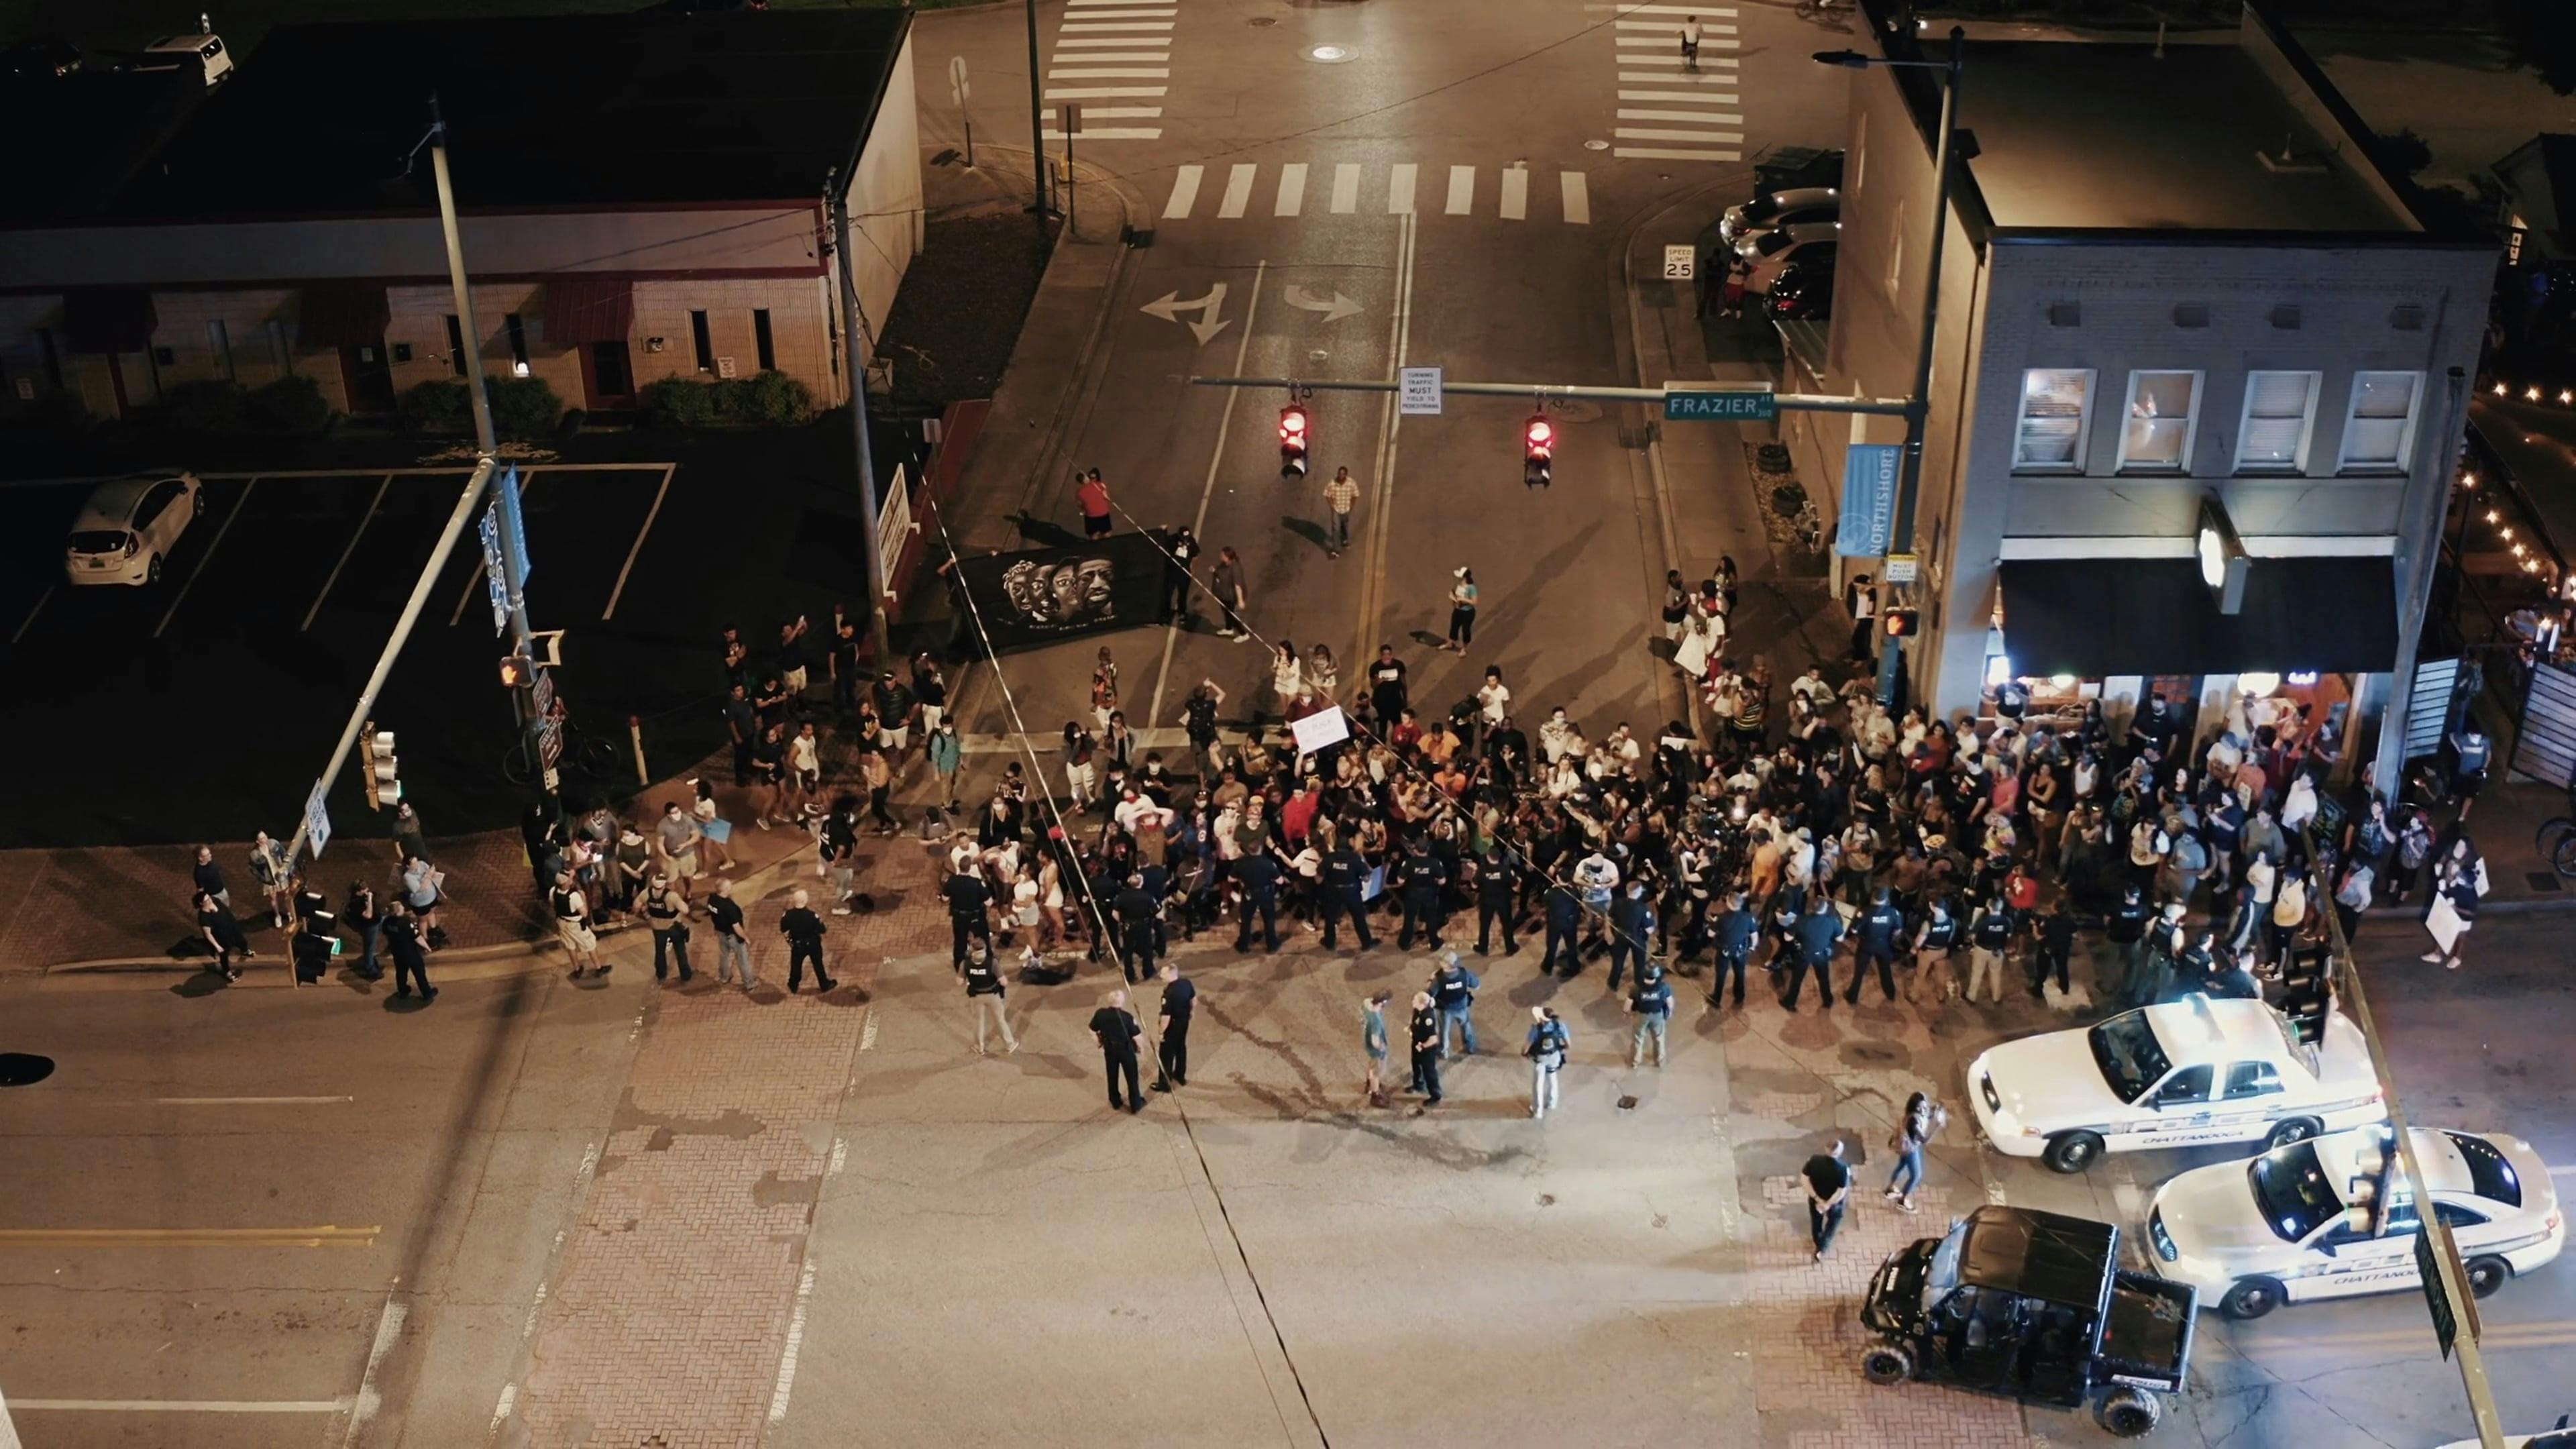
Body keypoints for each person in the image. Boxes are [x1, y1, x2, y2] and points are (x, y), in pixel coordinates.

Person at [2423, 835, 2489, 971]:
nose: (2457, 849)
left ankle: (2457, 956)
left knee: (2460, 934)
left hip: (2461, 909)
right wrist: (2444, 886)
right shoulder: (2453, 860)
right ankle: (2437, 953)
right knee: (2442, 929)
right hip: (2452, 902)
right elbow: (2447, 869)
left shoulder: (2470, 887)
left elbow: (2471, 911)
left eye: (2461, 847)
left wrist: (2456, 908)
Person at [1884, 1093, 1947, 1214]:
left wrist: (1935, 1109)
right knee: (1916, 1176)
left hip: (1904, 1146)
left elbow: (1927, 1114)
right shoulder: (1914, 1122)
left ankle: (1890, 1188)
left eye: (1925, 1106)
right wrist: (1937, 1127)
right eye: (1921, 1107)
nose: (1924, 1109)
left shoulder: (1913, 1114)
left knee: (1901, 1166)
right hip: (1910, 1150)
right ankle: (1902, 1201)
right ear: (1915, 1107)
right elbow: (1925, 1140)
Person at [1783, 893, 1843, 1011]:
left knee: (1797, 979)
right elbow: (1840, 939)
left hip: (1803, 954)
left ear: (1811, 909)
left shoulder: (1800, 920)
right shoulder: (1832, 921)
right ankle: (1827, 1001)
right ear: (1825, 909)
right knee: (1823, 978)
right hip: (1821, 955)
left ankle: (1790, 1002)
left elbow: (1787, 938)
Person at [1847, 888, 1904, 1005]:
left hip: (1866, 944)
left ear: (1873, 898)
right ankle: (1890, 993)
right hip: (1883, 944)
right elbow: (1898, 930)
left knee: (1859, 973)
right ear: (1886, 900)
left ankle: (1852, 997)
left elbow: (1853, 930)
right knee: (1885, 970)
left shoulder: (1865, 912)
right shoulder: (1893, 912)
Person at [1090, 990, 1145, 1112]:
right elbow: (1137, 1037)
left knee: (1112, 1074)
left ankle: (1115, 1100)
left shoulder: (1101, 1014)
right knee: (1132, 1077)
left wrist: (1098, 1043)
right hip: (1126, 1049)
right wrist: (1141, 1048)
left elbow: (1092, 1030)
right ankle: (1135, 1103)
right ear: (1121, 1002)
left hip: (1110, 1049)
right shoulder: (1127, 1017)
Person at [777, 888, 838, 994]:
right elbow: (822, 929)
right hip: (813, 944)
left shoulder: (787, 915)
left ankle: (793, 985)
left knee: (796, 965)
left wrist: (790, 941)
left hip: (797, 945)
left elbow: (783, 929)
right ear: (805, 901)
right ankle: (824, 984)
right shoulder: (812, 916)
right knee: (818, 964)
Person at [1322, 838, 1376, 951]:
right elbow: (1366, 879)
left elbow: (1318, 879)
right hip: (1352, 892)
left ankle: (1329, 942)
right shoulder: (1355, 858)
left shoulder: (1328, 858)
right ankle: (1366, 943)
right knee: (1359, 918)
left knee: (1330, 918)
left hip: (1333, 892)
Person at [964, 939, 1017, 1054]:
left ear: (972, 949)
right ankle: (1009, 1044)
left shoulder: (966, 964)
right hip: (993, 996)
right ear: (984, 948)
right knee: (1000, 1019)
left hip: (976, 996)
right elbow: (1004, 982)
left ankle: (979, 1047)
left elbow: (959, 981)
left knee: (978, 1021)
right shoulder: (992, 962)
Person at [1803, 1138, 1851, 1263]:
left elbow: (1805, 1181)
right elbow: (1841, 1191)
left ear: (1826, 1149)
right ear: (1839, 1153)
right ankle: (1821, 1248)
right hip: (1834, 1204)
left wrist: (1817, 1199)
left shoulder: (1814, 1161)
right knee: (1833, 1223)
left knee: (1816, 1222)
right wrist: (1828, 1203)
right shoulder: (1843, 1169)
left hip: (1816, 1200)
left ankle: (1818, 1242)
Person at [641, 871, 693, 983]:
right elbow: (685, 910)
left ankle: (661, 975)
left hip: (657, 928)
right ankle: (686, 975)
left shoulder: (646, 893)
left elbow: (637, 905)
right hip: (673, 927)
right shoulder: (671, 896)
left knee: (660, 951)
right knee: (680, 951)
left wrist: (647, 917)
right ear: (664, 884)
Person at [1711, 890, 1759, 1008]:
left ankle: (1717, 998)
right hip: (1741, 950)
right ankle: (1739, 996)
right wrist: (1752, 947)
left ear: (1729, 903)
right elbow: (1754, 935)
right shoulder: (1748, 917)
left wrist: (1713, 924)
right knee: (1740, 973)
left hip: (1724, 951)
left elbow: (1710, 934)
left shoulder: (1721, 918)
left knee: (1721, 975)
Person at [551, 871, 604, 978]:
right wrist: (584, 898)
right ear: (566, 882)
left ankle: (577, 968)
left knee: (570, 946)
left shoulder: (553, 890)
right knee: (590, 944)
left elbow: (552, 904)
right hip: (575, 925)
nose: (572, 879)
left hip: (562, 922)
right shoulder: (574, 896)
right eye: (570, 878)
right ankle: (599, 968)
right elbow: (584, 914)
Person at [1607, 878, 1656, 992]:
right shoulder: (1643, 908)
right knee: (1639, 964)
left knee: (1618, 961)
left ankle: (1613, 983)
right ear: (1638, 892)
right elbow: (1649, 930)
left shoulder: (1617, 902)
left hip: (1620, 935)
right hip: (1637, 939)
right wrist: (1653, 926)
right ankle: (1639, 985)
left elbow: (1610, 917)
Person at [708, 877, 756, 990]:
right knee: (742, 959)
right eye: (729, 887)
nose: (731, 888)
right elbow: (736, 927)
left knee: (724, 955)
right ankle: (750, 983)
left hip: (720, 932)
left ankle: (725, 976)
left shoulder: (712, 898)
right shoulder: (729, 907)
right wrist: (745, 937)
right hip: (732, 936)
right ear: (725, 889)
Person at [1153, 961, 1195, 1088]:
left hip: (1172, 1025)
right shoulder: (1186, 983)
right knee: (1181, 1047)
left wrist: (1161, 1032)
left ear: (1171, 974)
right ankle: (1180, 1075)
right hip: (1184, 1021)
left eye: (1163, 973)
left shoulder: (1169, 994)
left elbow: (1166, 1017)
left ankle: (1164, 1083)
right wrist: (1192, 1012)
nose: (1160, 975)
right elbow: (1193, 998)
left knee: (1166, 1054)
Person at [384, 897, 434, 1002]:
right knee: (419, 973)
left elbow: (386, 933)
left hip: (397, 952)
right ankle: (427, 993)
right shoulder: (405, 923)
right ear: (398, 910)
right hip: (410, 953)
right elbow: (417, 937)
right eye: (401, 906)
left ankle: (403, 991)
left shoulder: (388, 921)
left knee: (401, 972)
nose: (403, 907)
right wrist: (427, 947)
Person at [1431, 952, 1481, 1056]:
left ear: (1445, 964)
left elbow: (1430, 994)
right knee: (1466, 1026)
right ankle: (1470, 1046)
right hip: (1462, 1007)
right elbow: (1476, 985)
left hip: (1444, 1009)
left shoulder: (1438, 979)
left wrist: (1430, 979)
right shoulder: (1465, 974)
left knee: (1443, 1030)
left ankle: (1443, 1050)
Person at [1472, 848, 1519, 955]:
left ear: (1488, 857)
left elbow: (1474, 885)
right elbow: (1515, 887)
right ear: (1499, 857)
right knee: (1507, 925)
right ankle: (1510, 948)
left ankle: (1483, 948)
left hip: (1486, 902)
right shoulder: (1506, 870)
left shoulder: (1482, 870)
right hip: (1504, 902)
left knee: (1485, 925)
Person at [194, 888, 248, 981]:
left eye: (209, 898)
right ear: (201, 904)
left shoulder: (215, 901)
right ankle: (227, 972)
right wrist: (217, 946)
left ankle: (245, 951)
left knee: (242, 942)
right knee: (224, 955)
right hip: (222, 938)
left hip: (232, 930)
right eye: (206, 900)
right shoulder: (204, 917)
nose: (210, 901)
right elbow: (208, 934)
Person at [1527, 1006, 1570, 1118]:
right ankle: (1552, 1103)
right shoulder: (1561, 1026)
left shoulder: (1536, 1029)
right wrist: (1560, 1048)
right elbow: (1568, 1045)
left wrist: (1525, 1054)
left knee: (1538, 1084)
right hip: (1554, 1057)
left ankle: (1538, 1111)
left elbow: (1526, 1047)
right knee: (1552, 1078)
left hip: (1540, 1059)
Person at [1628, 964, 1674, 1069]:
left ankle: (1636, 1061)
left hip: (1641, 1015)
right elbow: (1669, 1001)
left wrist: (1626, 1013)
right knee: (1659, 1038)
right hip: (1658, 1015)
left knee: (1638, 1038)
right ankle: (1660, 1061)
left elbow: (1628, 1003)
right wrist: (1670, 1011)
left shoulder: (1636, 988)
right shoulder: (1663, 987)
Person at [249, 830, 294, 929]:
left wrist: (287, 868)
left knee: (287, 894)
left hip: (279, 872)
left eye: (265, 837)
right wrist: (263, 879)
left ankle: (291, 913)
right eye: (261, 839)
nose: (265, 840)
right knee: (273, 897)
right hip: (269, 877)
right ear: (257, 841)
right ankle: (277, 916)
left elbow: (284, 853)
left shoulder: (273, 843)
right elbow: (254, 869)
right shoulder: (255, 854)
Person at [1407, 990, 1444, 1106]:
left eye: (1415, 1000)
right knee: (1416, 1064)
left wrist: (1423, 1047)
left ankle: (1435, 1094)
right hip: (1417, 1043)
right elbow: (1413, 1021)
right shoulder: (1417, 1011)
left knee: (1429, 1071)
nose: (1412, 1001)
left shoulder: (1428, 1018)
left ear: (1422, 1003)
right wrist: (1410, 1028)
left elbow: (1433, 1039)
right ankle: (1418, 1084)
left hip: (1426, 1048)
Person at [343, 879, 383, 981]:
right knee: (370, 948)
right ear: (358, 892)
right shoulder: (355, 904)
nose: (367, 890)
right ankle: (371, 970)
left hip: (377, 922)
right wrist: (369, 900)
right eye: (364, 890)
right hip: (369, 927)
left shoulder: (362, 897)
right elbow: (368, 915)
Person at [1209, 545, 1250, 640]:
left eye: (1222, 555)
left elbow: (1238, 586)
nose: (1220, 556)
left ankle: (1244, 634)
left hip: (1232, 598)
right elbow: (1220, 572)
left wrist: (1240, 601)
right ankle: (1229, 629)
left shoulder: (1235, 568)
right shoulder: (1224, 564)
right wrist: (1214, 571)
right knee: (1226, 613)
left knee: (1234, 617)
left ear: (1228, 557)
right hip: (1224, 595)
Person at [1362, 989, 1393, 1107]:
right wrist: (1382, 1048)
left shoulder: (1366, 1004)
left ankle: (1369, 1084)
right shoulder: (1375, 1020)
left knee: (1371, 1065)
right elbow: (1375, 1040)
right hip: (1376, 1050)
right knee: (1377, 1072)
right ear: (1382, 1003)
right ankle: (1375, 1095)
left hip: (1367, 1045)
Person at [1323, 464, 1360, 557]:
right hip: (1336, 509)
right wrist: (1331, 505)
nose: (1341, 476)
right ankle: (1336, 550)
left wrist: (1351, 505)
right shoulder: (1332, 483)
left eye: (1343, 474)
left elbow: (1355, 494)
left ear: (1346, 475)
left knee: (1344, 526)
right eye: (1339, 474)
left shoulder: (1351, 483)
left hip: (1346, 509)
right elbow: (1327, 494)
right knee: (1335, 529)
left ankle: (1345, 540)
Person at [1444, 567, 1478, 653]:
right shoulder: (1458, 584)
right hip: (1457, 610)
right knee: (1454, 627)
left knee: (1465, 630)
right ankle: (1450, 643)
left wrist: (1463, 599)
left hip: (1468, 613)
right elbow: (1455, 594)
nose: (1458, 577)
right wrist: (1452, 597)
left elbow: (1475, 602)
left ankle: (1464, 649)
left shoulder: (1471, 588)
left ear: (1465, 577)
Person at [1077, 467, 1113, 537]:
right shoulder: (1100, 485)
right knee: (1107, 533)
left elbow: (1080, 505)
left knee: (1093, 534)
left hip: (1090, 515)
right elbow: (1106, 497)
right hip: (1103, 513)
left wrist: (1083, 511)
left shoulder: (1079, 493)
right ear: (1086, 479)